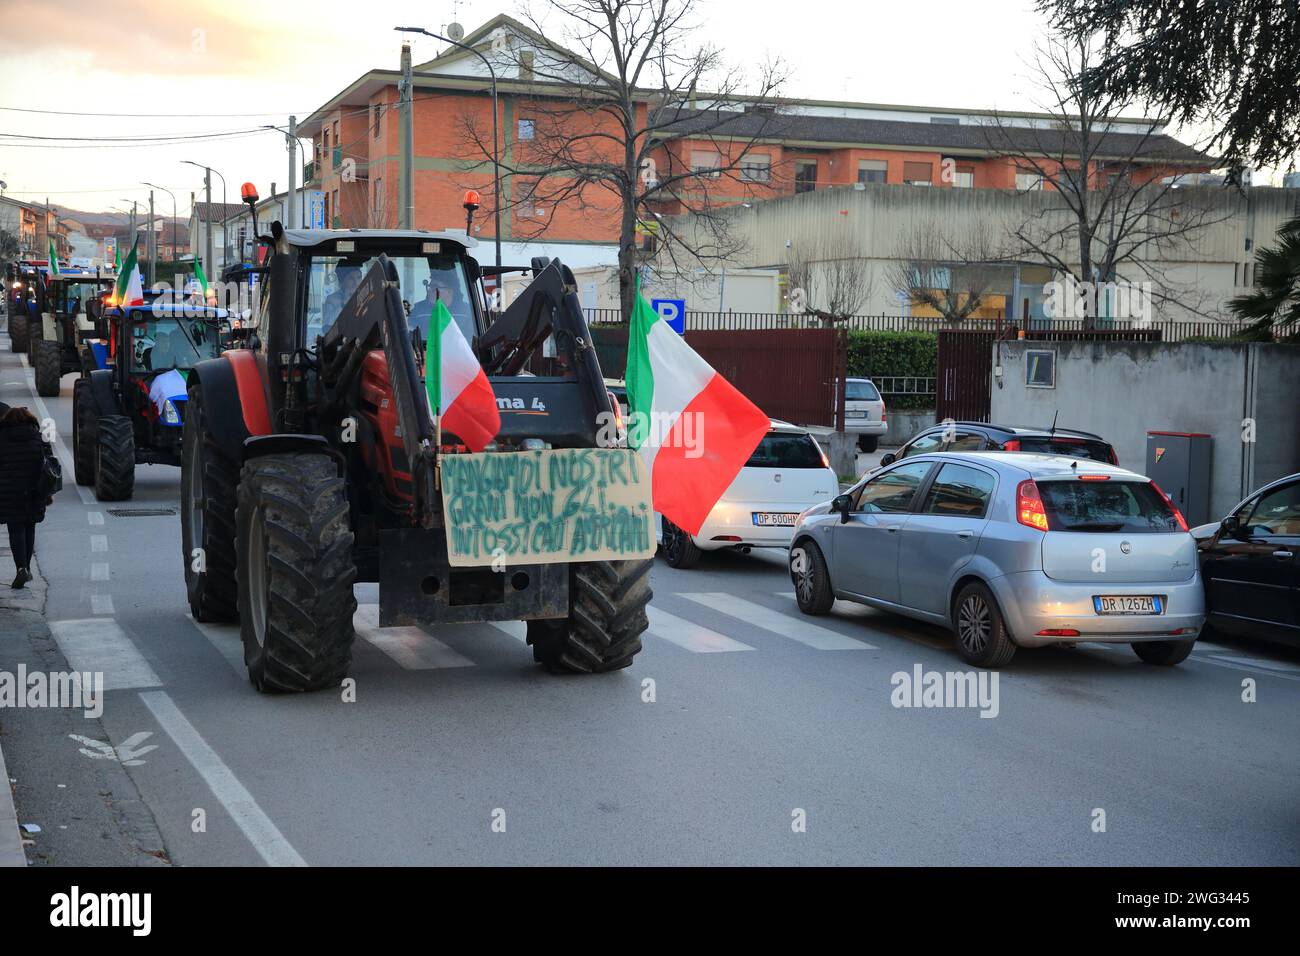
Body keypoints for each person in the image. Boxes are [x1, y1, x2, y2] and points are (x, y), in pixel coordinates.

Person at [0, 406, 50, 589]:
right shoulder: (38, 436)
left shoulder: (2, 436)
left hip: (8, 491)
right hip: (34, 490)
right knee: (30, 527)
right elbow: (48, 463)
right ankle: (26, 567)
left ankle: (21, 568)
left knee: (15, 529)